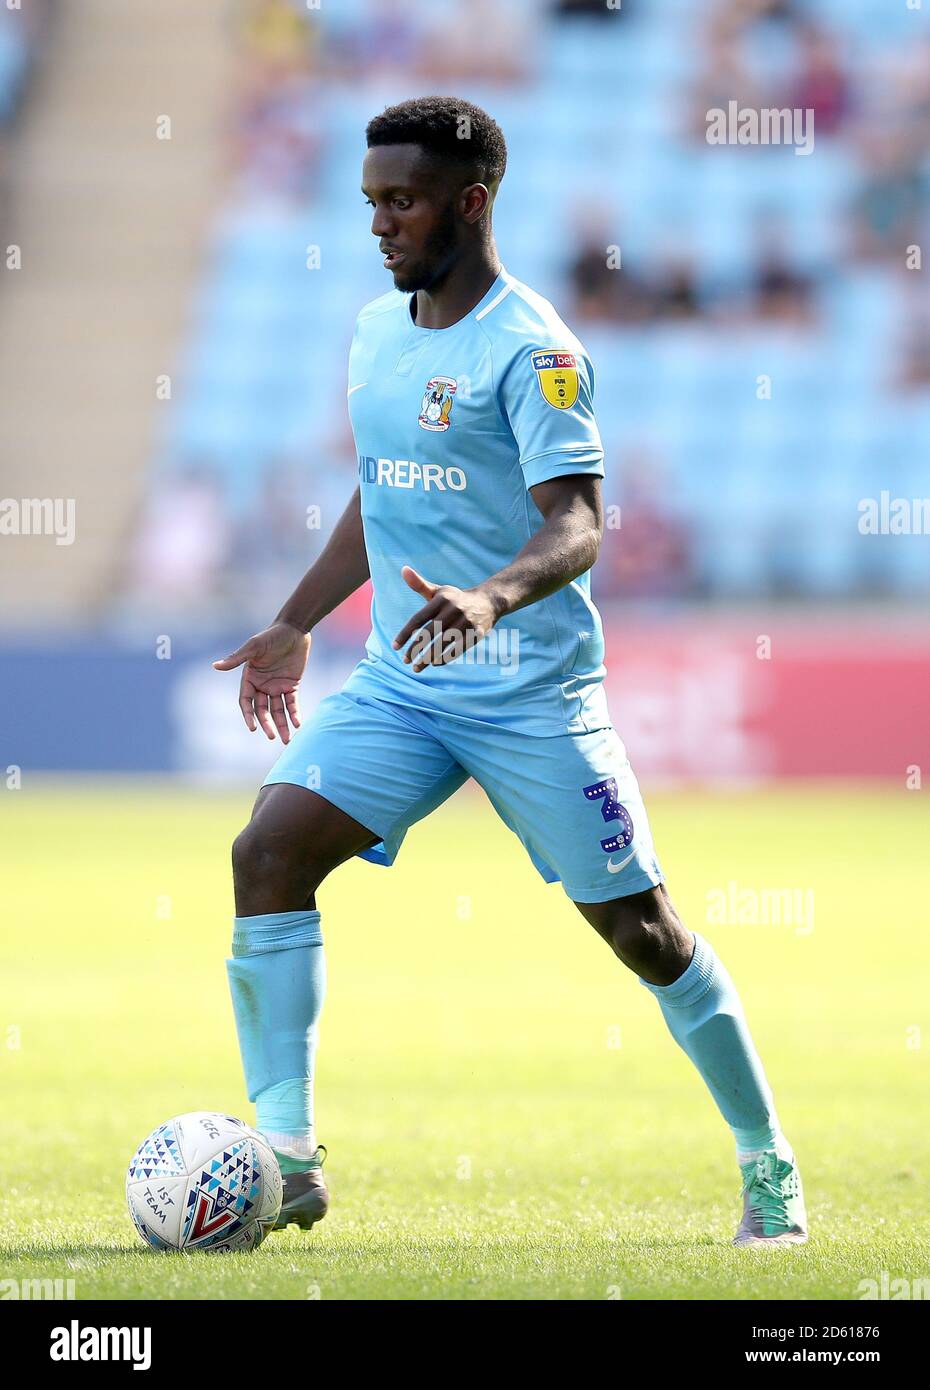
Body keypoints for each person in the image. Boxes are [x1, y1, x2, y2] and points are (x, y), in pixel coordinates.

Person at [214, 95, 807, 1246]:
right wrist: (294, 620)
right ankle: (287, 1162)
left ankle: (767, 1158)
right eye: (372, 201)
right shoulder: (376, 331)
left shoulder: (537, 350)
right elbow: (380, 493)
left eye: (404, 201)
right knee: (268, 851)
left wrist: (488, 598)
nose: (382, 224)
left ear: (472, 201)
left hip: (533, 694)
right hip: (403, 680)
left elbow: (579, 523)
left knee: (646, 934)